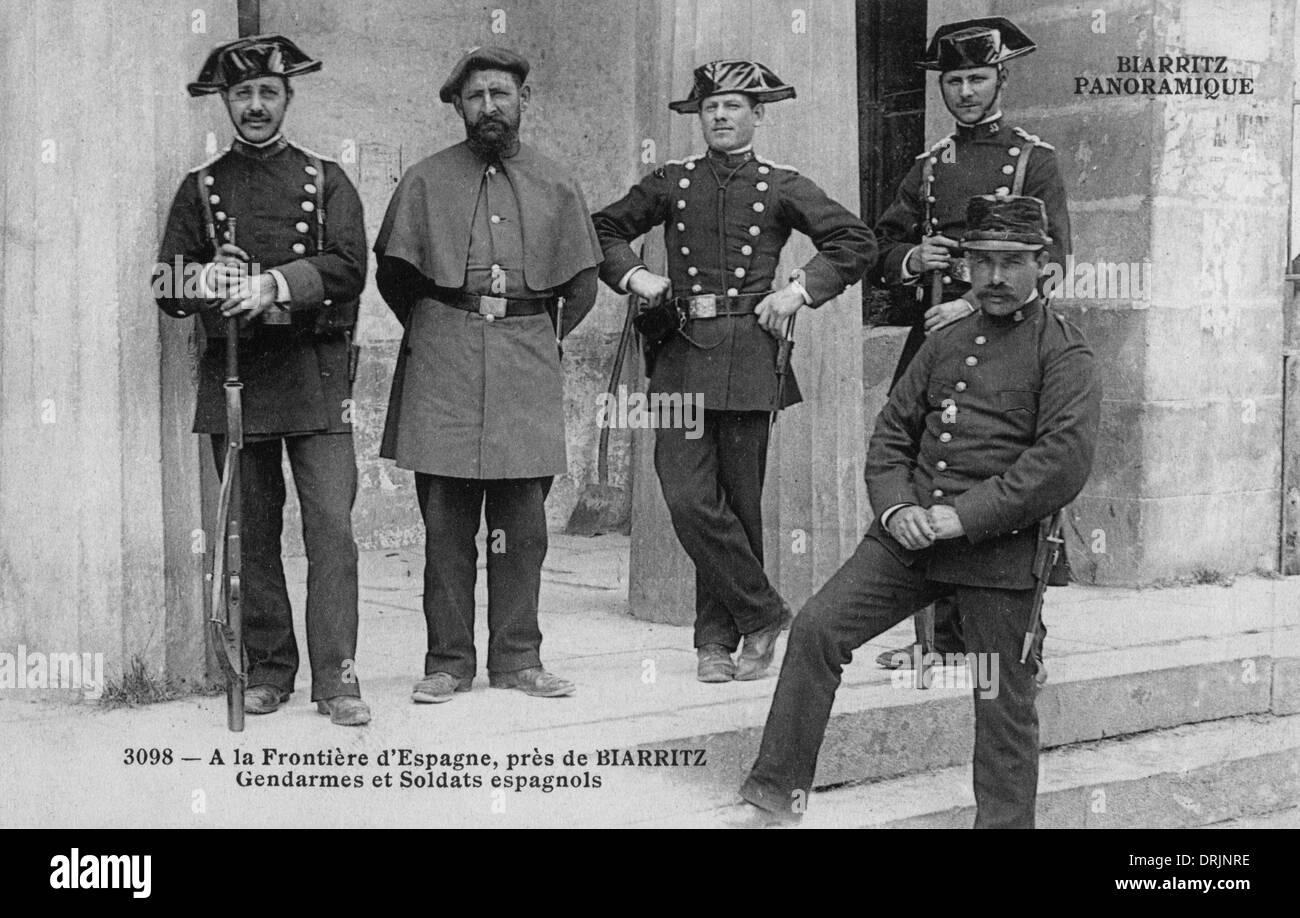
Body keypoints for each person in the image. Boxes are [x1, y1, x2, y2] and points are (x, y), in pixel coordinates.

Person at [740, 195, 1101, 828]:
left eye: (1010, 263)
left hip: (997, 553)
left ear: (1042, 267)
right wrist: (897, 508)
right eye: (980, 261)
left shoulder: (1064, 352)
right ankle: (775, 794)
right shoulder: (945, 340)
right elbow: (891, 438)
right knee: (817, 630)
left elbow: (1060, 464)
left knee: (1001, 699)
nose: (991, 277)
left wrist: (965, 517)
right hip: (909, 541)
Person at [593, 60, 875, 683]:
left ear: (758, 116)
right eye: (710, 107)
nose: (719, 116)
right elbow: (604, 229)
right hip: (682, 353)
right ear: (699, 117)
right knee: (688, 496)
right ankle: (765, 611)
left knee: (740, 503)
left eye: (733, 106)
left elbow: (854, 241)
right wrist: (635, 276)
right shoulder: (671, 181)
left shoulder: (781, 184)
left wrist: (798, 291)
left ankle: (715, 644)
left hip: (750, 354)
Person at [373, 47, 602, 703]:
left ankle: (518, 660)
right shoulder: (424, 179)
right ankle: (447, 663)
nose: (489, 108)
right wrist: (446, 325)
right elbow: (396, 277)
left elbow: (581, 287)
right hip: (442, 360)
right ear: (459, 106)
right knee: (445, 527)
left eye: (501, 94)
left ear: (523, 100)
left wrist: (534, 336)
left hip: (526, 360)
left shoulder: (557, 183)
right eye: (475, 97)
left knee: (522, 529)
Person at [154, 35, 371, 726]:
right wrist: (203, 279)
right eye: (241, 94)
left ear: (287, 98)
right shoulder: (202, 186)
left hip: (315, 371)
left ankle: (337, 679)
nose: (254, 105)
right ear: (225, 102)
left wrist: (277, 283)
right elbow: (166, 281)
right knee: (250, 533)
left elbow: (348, 265)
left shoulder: (326, 177)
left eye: (267, 93)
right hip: (235, 380)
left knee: (332, 527)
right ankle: (268, 670)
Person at [872, 17, 1071, 671]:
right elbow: (880, 246)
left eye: (975, 78)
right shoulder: (929, 168)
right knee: (932, 472)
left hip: (1011, 343)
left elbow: (1055, 260)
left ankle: (1018, 641)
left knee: (1002, 483)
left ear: (1001, 78)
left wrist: (970, 300)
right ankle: (935, 641)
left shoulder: (1033, 161)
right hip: (934, 346)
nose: (962, 92)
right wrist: (910, 256)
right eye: (952, 81)